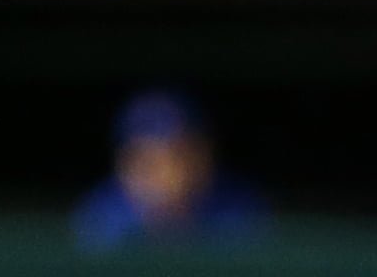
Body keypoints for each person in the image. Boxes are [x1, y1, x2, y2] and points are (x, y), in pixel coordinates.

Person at [73, 91, 268, 250]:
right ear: (123, 162)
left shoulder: (240, 214)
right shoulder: (100, 219)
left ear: (204, 155)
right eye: (147, 160)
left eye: (179, 156)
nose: (168, 174)